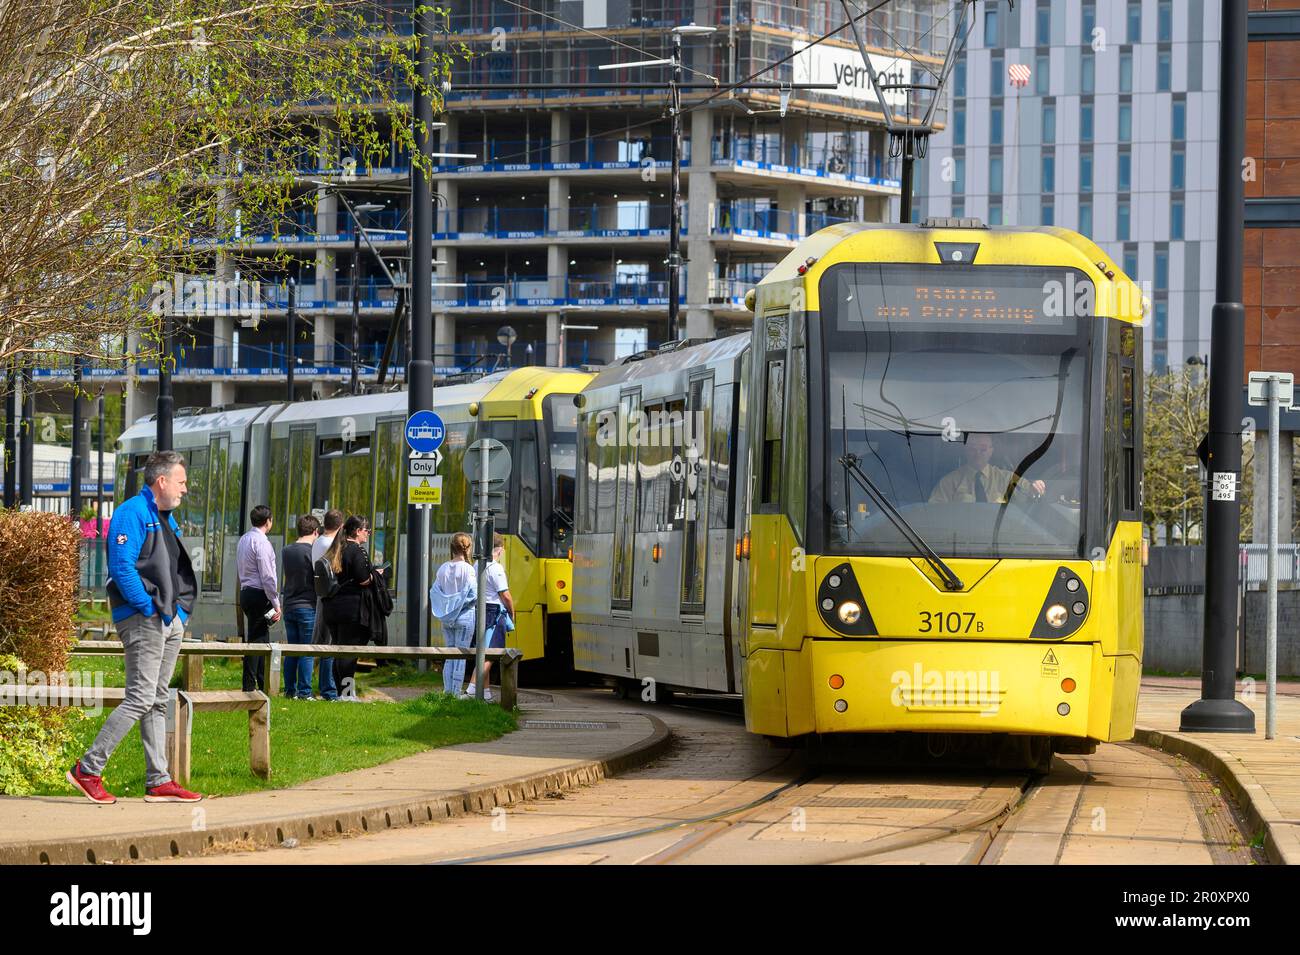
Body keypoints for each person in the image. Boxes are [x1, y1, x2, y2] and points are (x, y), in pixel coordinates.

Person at [68, 450, 201, 804]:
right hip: (145, 617)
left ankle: (158, 780)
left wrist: (179, 615)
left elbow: (174, 568)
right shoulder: (132, 513)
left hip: (167, 618)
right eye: (181, 481)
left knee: (158, 699)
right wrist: (148, 607)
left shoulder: (164, 517)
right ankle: (88, 769)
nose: (184, 489)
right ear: (162, 481)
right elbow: (122, 568)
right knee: (141, 697)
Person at [321, 515, 377, 701]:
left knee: (339, 651)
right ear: (358, 531)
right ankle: (346, 694)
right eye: (366, 530)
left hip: (332, 608)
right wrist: (376, 575)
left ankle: (340, 692)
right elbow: (363, 579)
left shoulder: (337, 549)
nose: (368, 534)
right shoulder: (356, 551)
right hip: (351, 609)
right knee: (349, 654)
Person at [929, 432, 1046, 505]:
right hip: (958, 539)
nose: (978, 453)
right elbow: (932, 512)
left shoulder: (1007, 478)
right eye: (972, 449)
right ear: (965, 451)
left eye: (983, 449)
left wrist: (1036, 488)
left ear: (991, 451)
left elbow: (1030, 494)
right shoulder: (949, 482)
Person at [236, 504, 280, 692]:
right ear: (268, 521)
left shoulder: (244, 540)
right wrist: (276, 603)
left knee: (262, 637)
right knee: (256, 639)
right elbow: (268, 576)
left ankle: (263, 684)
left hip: (246, 592)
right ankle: (249, 685)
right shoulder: (262, 543)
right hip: (259, 594)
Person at [466, 533, 513, 702]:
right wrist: (512, 613)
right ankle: (472, 689)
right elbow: (505, 595)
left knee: (484, 650)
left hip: (480, 609)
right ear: (499, 549)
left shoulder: (478, 564)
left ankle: (485, 694)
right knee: (491, 653)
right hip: (494, 612)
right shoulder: (496, 568)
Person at [430, 532, 476, 698]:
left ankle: (447, 691)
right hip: (464, 617)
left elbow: (435, 591)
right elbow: (473, 595)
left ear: (452, 547)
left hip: (447, 617)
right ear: (468, 548)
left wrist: (447, 607)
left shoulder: (443, 568)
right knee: (460, 656)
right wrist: (461, 605)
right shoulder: (469, 569)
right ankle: (456, 693)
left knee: (449, 654)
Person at [281, 514, 320, 699]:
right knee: (307, 650)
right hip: (307, 605)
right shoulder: (312, 552)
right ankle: (305, 692)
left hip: (289, 604)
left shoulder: (286, 550)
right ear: (315, 532)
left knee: (292, 650)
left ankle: (290, 690)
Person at [310, 508, 344, 700]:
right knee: (328, 644)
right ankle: (329, 689)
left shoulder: (317, 542)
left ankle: (324, 686)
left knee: (322, 641)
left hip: (321, 595)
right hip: (331, 597)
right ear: (340, 526)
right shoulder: (332, 544)